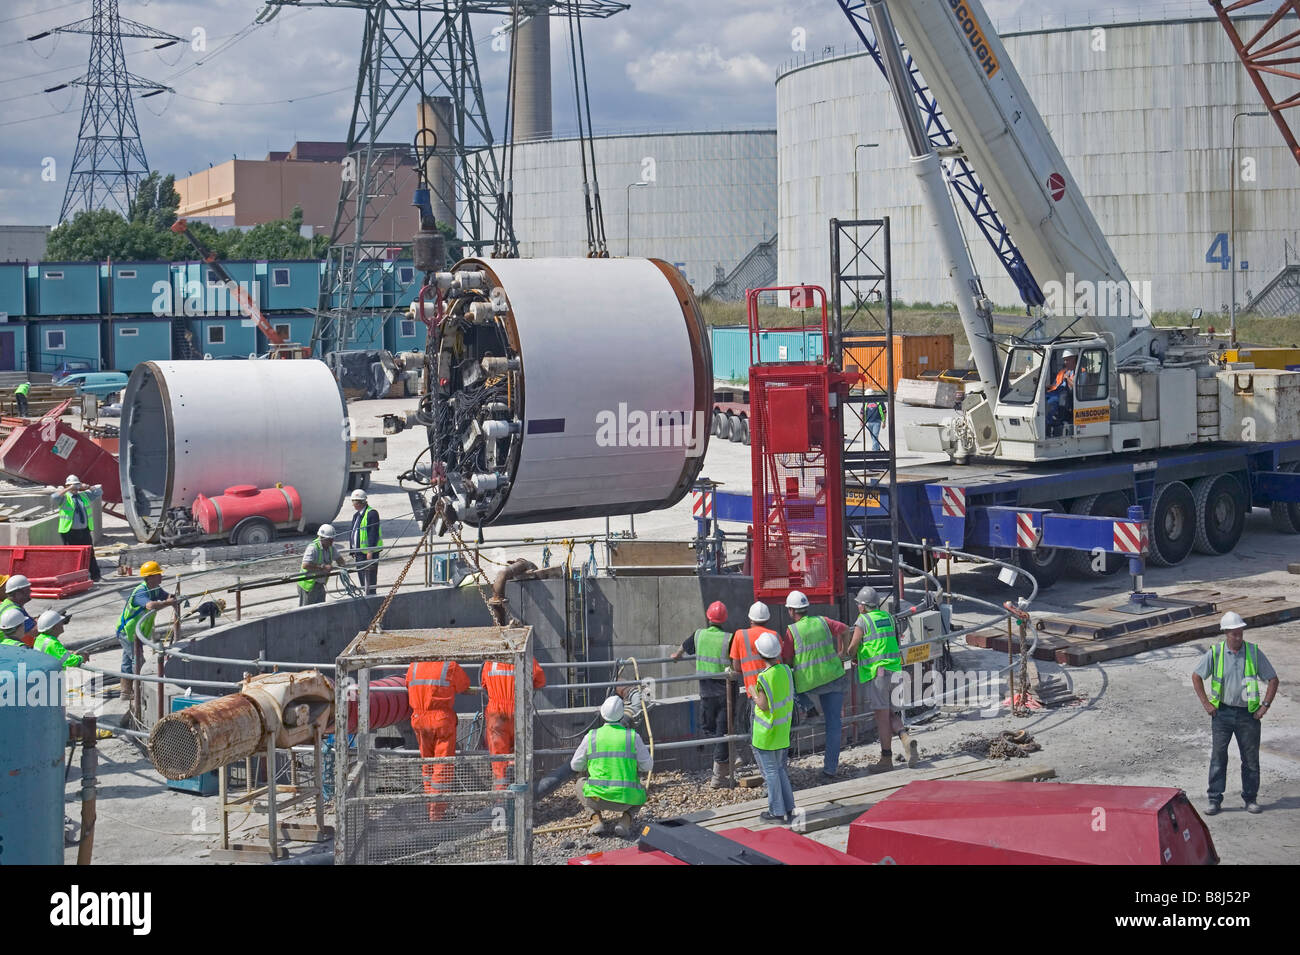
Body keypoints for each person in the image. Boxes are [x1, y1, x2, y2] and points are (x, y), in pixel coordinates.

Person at [1191, 611, 1279, 815]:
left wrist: (1264, 706)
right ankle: (1214, 800)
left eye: (1240, 633)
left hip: (1248, 715)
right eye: (1234, 634)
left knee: (1250, 759)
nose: (1238, 637)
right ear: (1226, 633)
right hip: (1221, 714)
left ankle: (1250, 799)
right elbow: (1196, 676)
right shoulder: (1216, 653)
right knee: (1218, 757)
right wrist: (1206, 704)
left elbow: (1273, 679)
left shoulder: (1254, 652)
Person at [845, 586, 916, 773]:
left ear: (863, 606)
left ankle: (886, 759)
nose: (858, 607)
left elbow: (853, 647)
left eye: (859, 604)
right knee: (890, 713)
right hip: (895, 670)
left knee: (882, 719)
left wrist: (848, 655)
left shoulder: (863, 620)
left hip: (879, 675)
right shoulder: (888, 618)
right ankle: (904, 737)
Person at [782, 590, 851, 779]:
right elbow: (845, 629)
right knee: (834, 725)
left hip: (809, 682)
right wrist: (843, 652)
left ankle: (810, 709)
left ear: (791, 610)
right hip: (833, 676)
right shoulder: (823, 621)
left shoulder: (792, 631)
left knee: (787, 683)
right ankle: (830, 769)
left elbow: (786, 661)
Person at [670, 600, 737, 788]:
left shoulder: (699, 635)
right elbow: (736, 662)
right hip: (726, 691)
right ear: (724, 619)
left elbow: (683, 648)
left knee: (709, 728)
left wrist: (676, 656)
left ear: (708, 617)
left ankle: (721, 771)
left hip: (706, 690)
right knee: (723, 732)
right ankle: (723, 769)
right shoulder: (729, 638)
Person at [570, 696, 652, 838]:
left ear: (602, 713)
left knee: (579, 784)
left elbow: (575, 765)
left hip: (596, 798)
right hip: (626, 799)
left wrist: (590, 762)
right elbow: (647, 765)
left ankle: (596, 820)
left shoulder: (591, 736)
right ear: (622, 715)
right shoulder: (632, 737)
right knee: (642, 790)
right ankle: (625, 822)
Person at [405, 657, 471, 821]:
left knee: (427, 765)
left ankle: (430, 809)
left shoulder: (414, 666)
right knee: (442, 765)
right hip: (441, 720)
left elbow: (407, 685)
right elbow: (464, 685)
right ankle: (437, 814)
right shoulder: (449, 666)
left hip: (419, 718)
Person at [480, 655, 546, 790]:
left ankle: (501, 798)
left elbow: (484, 684)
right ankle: (520, 794)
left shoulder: (490, 662)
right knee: (520, 753)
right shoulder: (525, 657)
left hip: (496, 714)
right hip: (518, 711)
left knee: (499, 758)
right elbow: (540, 681)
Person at [116, 561, 179, 703]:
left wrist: (172, 598)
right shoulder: (141, 591)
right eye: (158, 574)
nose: (161, 577)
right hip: (127, 632)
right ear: (149, 577)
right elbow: (150, 605)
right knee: (138, 661)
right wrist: (168, 603)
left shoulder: (155, 588)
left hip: (135, 633)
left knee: (127, 662)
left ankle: (125, 693)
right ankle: (141, 694)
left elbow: (166, 596)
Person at [751, 632, 796, 824]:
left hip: (766, 734)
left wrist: (753, 692)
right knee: (780, 770)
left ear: (760, 654)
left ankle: (777, 812)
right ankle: (789, 808)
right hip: (782, 731)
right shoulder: (786, 670)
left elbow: (763, 704)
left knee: (770, 772)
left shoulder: (764, 677)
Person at [729, 601, 778, 771]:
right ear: (767, 619)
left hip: (755, 694)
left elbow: (736, 667)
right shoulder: (774, 635)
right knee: (778, 737)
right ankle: (777, 773)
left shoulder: (740, 635)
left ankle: (768, 777)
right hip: (776, 692)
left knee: (757, 739)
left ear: (750, 619)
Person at [52, 474, 103, 582]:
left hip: (84, 531)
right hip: (69, 532)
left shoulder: (84, 496)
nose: (75, 488)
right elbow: (54, 497)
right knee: (73, 556)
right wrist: (69, 488)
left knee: (90, 554)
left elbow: (99, 492)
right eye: (72, 486)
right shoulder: (64, 498)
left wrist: (88, 486)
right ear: (67, 485)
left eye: (76, 486)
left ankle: (95, 575)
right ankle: (76, 578)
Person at [298, 524, 349, 606]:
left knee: (320, 609)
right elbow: (305, 565)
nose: (332, 541)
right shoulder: (313, 548)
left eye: (332, 539)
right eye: (329, 539)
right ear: (322, 538)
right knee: (307, 611)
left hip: (320, 584)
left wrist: (342, 563)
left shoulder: (331, 547)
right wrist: (323, 567)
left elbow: (339, 558)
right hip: (308, 586)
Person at [348, 489, 383, 596]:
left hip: (368, 554)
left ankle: (371, 598)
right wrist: (352, 550)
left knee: (370, 580)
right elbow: (353, 532)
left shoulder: (372, 514)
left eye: (354, 502)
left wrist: (370, 551)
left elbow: (373, 534)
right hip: (359, 553)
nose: (353, 504)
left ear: (359, 502)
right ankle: (367, 595)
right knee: (362, 580)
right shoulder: (357, 515)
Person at [1045, 349, 1077, 435]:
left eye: (1067, 360)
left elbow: (1077, 387)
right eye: (1064, 360)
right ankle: (1047, 422)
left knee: (1052, 402)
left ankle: (1048, 424)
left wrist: (1067, 378)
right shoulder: (1062, 372)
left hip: (1066, 395)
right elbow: (1055, 385)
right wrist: (1045, 388)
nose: (1065, 362)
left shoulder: (1080, 371)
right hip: (1055, 392)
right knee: (1042, 400)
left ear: (1073, 359)